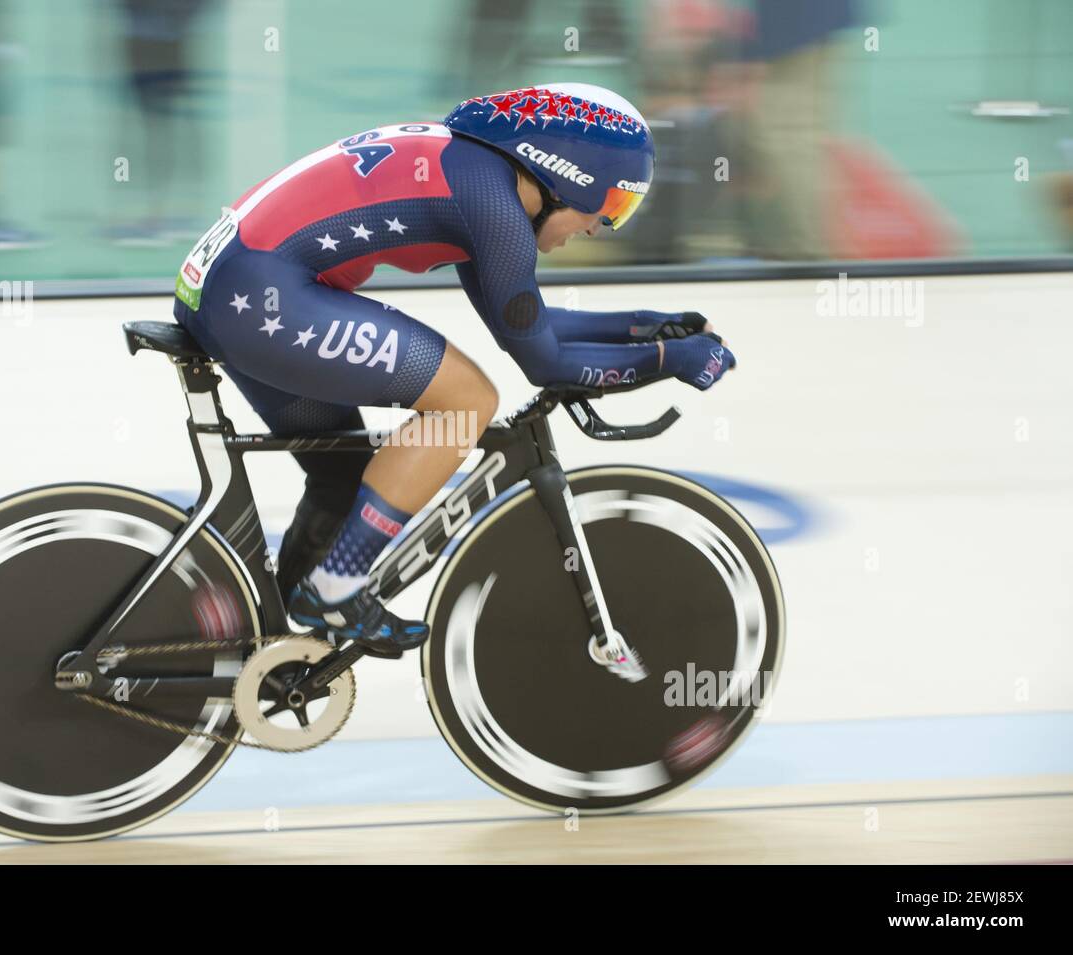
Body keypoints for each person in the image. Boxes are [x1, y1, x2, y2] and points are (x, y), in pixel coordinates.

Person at [171, 83, 734, 658]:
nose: (600, 227)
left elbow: (530, 324)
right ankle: (336, 589)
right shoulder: (492, 207)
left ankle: (275, 632)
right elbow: (545, 363)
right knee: (466, 400)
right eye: (611, 207)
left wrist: (649, 324)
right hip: (261, 297)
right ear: (570, 174)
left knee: (341, 474)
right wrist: (669, 361)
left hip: (235, 287)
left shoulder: (475, 176)